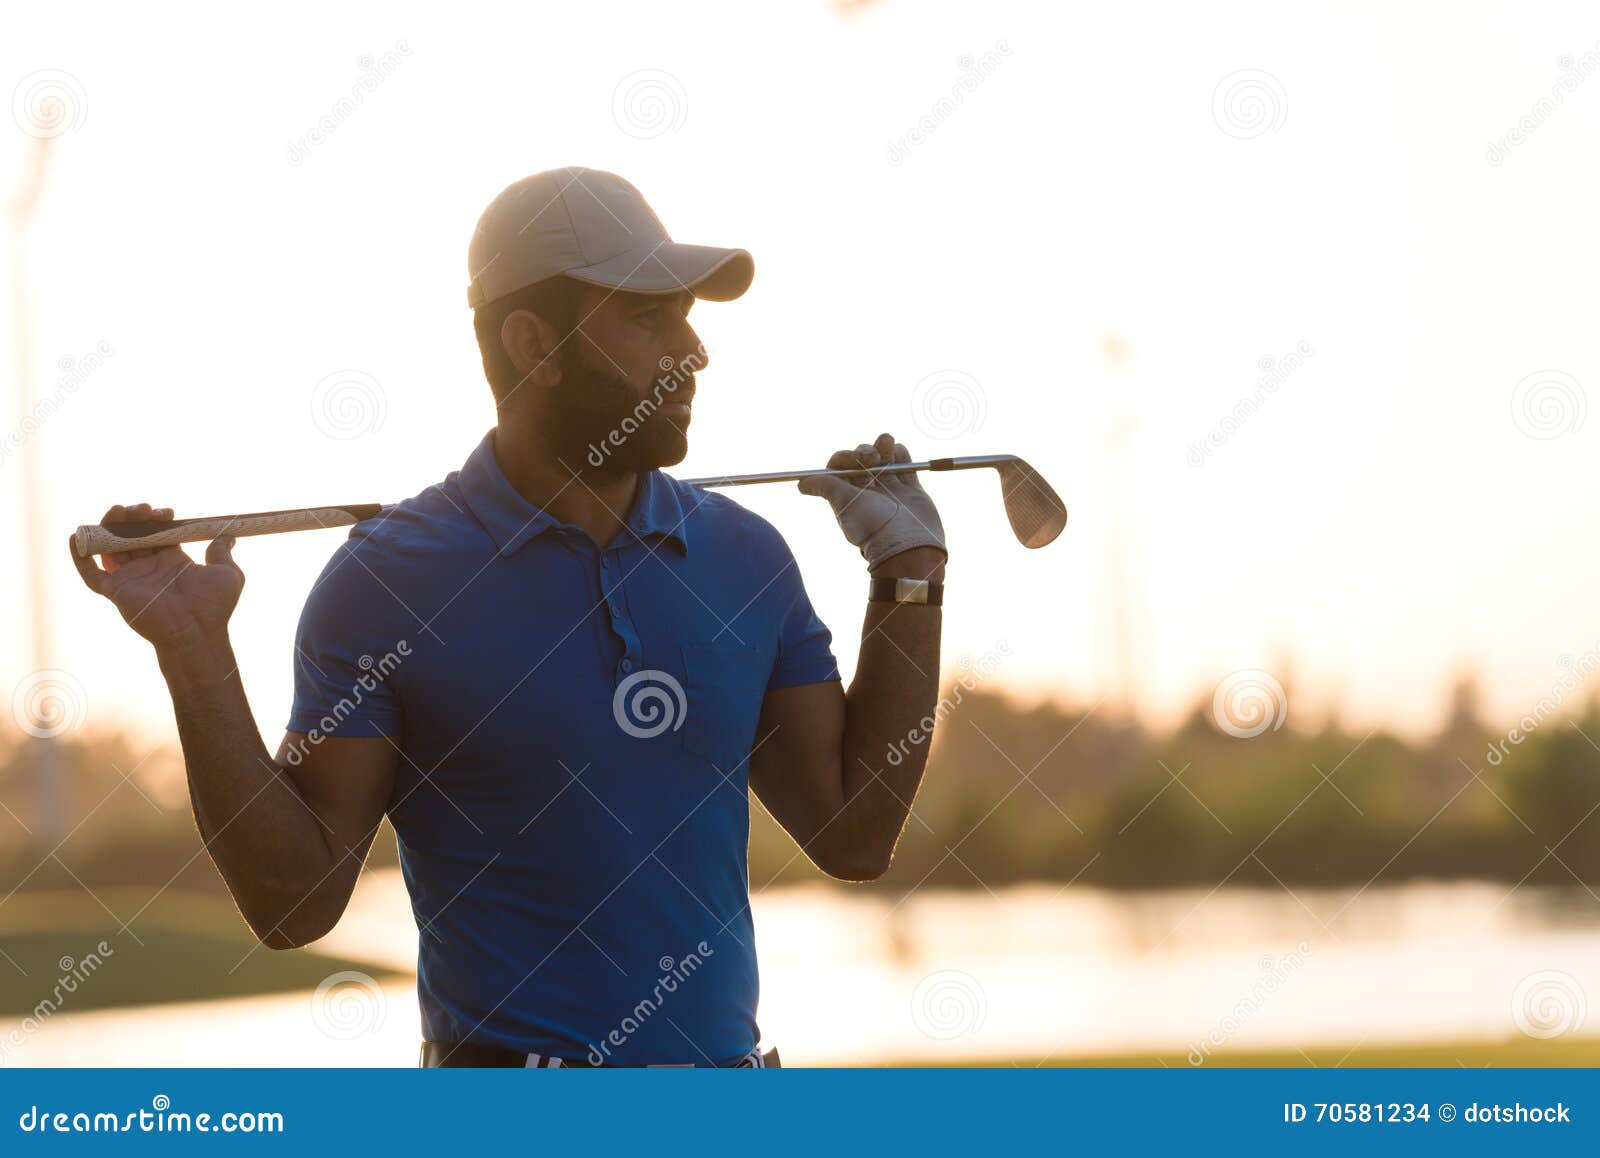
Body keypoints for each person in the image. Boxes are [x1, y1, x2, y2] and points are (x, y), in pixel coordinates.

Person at [72, 167, 948, 1067]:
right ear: (536, 343)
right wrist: (192, 648)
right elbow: (293, 903)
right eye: (648, 318)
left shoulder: (747, 558)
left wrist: (909, 574)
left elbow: (854, 832)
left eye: (686, 315)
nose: (693, 351)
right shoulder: (386, 584)